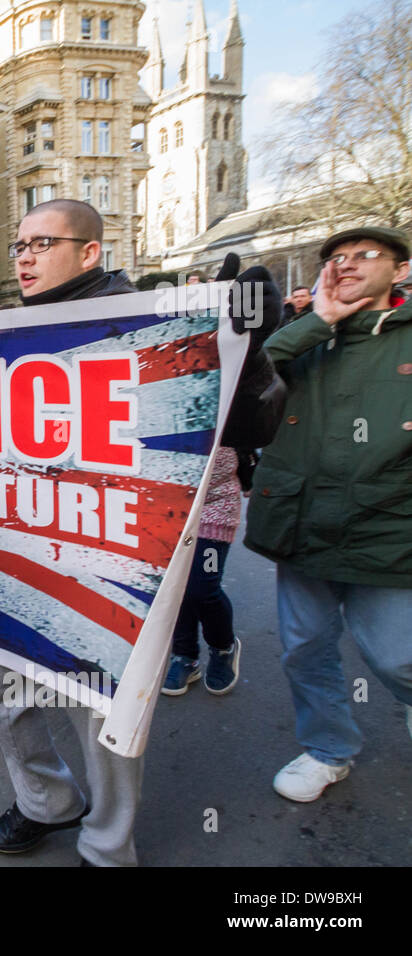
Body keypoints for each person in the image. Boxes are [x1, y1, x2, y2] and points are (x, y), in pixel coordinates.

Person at [0, 199, 283, 866]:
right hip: (22, 551)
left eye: (43, 243)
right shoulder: (6, 328)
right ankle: (48, 802)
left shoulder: (157, 322)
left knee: (96, 708)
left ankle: (107, 842)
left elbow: (252, 428)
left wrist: (252, 348)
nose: (26, 256)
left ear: (90, 252)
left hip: (114, 558)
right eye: (20, 246)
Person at [244, 225, 412, 803]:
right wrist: (319, 320)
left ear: (401, 270)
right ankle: (327, 749)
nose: (346, 265)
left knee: (397, 654)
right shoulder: (307, 335)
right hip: (302, 528)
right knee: (305, 649)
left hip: (388, 533)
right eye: (335, 258)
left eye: (366, 255)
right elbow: (249, 378)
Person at [160, 446, 246, 695]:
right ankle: (185, 656)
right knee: (176, 587)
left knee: (202, 587)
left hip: (214, 513)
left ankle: (223, 648)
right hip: (167, 509)